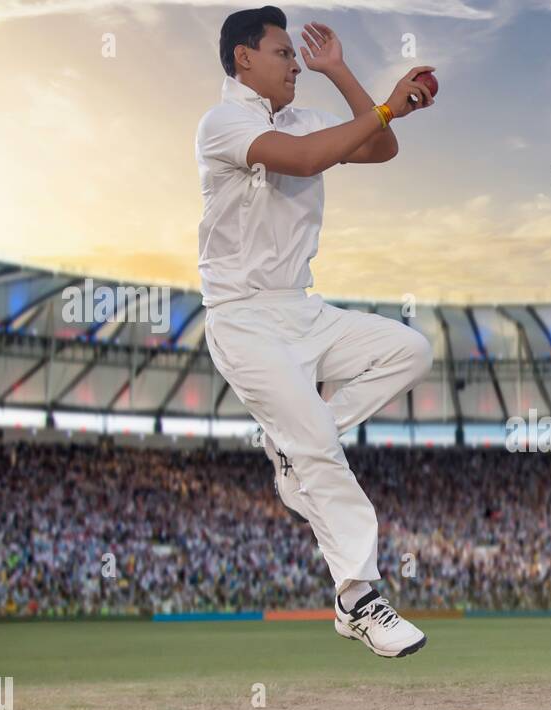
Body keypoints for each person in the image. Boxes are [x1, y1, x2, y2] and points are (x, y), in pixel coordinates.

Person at [195, 6, 435, 657]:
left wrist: (342, 73)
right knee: (322, 451)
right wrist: (381, 108)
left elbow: (380, 147)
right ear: (244, 58)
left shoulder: (304, 115)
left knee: (410, 351)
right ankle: (358, 596)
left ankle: (290, 447)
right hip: (243, 319)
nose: (294, 63)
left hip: (302, 310)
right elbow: (301, 162)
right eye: (284, 53)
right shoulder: (223, 123)